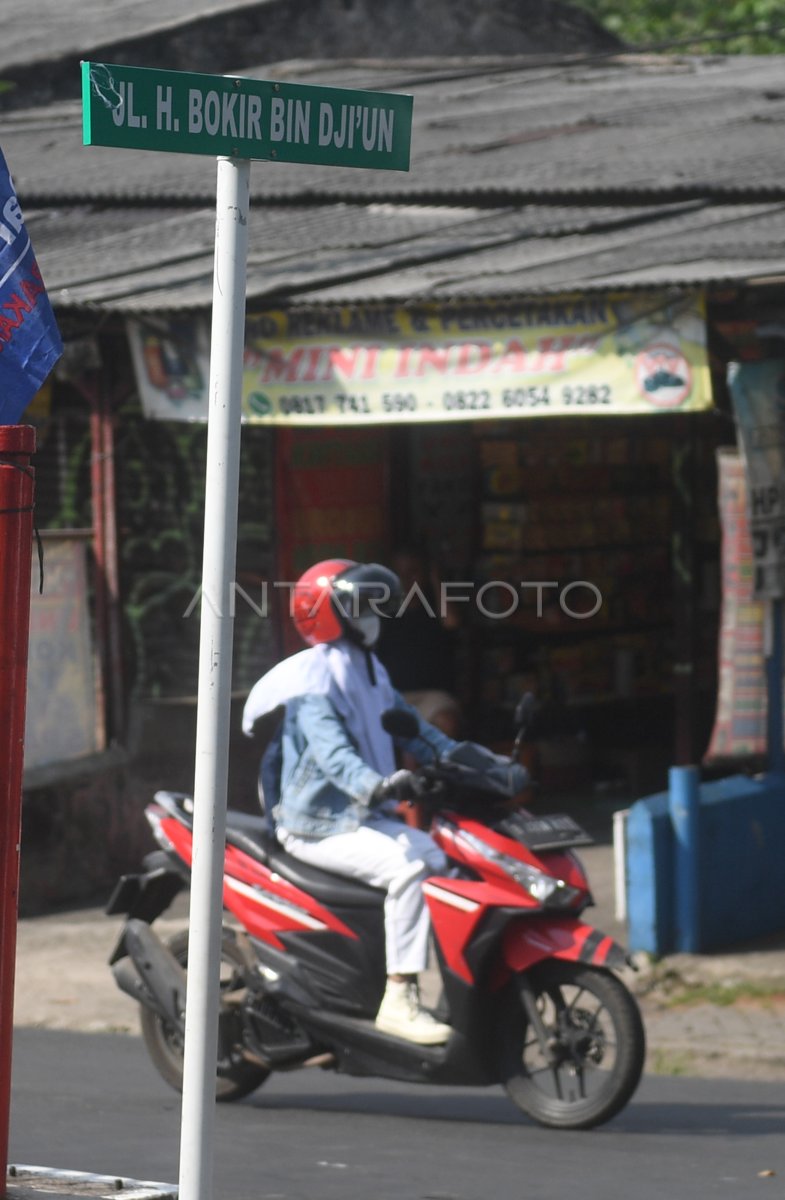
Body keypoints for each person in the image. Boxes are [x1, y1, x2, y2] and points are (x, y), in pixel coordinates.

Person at [242, 558, 458, 1045]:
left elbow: (415, 729)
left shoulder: (370, 671)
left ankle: (419, 983)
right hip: (316, 825)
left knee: (444, 858)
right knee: (410, 868)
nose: (371, 616)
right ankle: (400, 999)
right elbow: (335, 757)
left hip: (361, 817)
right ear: (327, 614)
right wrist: (379, 785)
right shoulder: (312, 683)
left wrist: (477, 761)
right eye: (359, 607)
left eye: (371, 606)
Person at [374, 546, 463, 738]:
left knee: (446, 722)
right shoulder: (382, 610)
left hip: (433, 696)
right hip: (394, 697)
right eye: (399, 573)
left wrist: (436, 579)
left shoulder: (435, 605)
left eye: (412, 572)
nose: (406, 580)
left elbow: (452, 622)